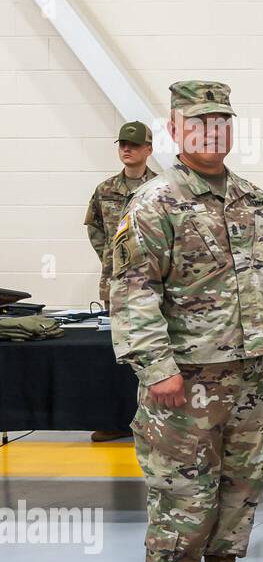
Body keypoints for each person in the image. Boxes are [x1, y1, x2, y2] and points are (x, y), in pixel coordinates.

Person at [110, 81, 263, 562]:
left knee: (240, 482)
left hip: (245, 374)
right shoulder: (155, 202)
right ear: (175, 130)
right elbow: (132, 289)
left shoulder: (253, 200)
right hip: (183, 379)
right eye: (197, 124)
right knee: (183, 487)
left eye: (220, 123)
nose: (211, 134)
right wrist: (156, 366)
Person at [86, 120, 157, 442]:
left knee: (154, 349)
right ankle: (117, 419)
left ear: (148, 149)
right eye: (122, 145)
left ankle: (154, 418)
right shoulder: (105, 190)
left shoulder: (161, 188)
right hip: (116, 284)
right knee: (120, 353)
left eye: (134, 145)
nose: (126, 149)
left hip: (154, 285)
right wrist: (111, 258)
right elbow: (94, 227)